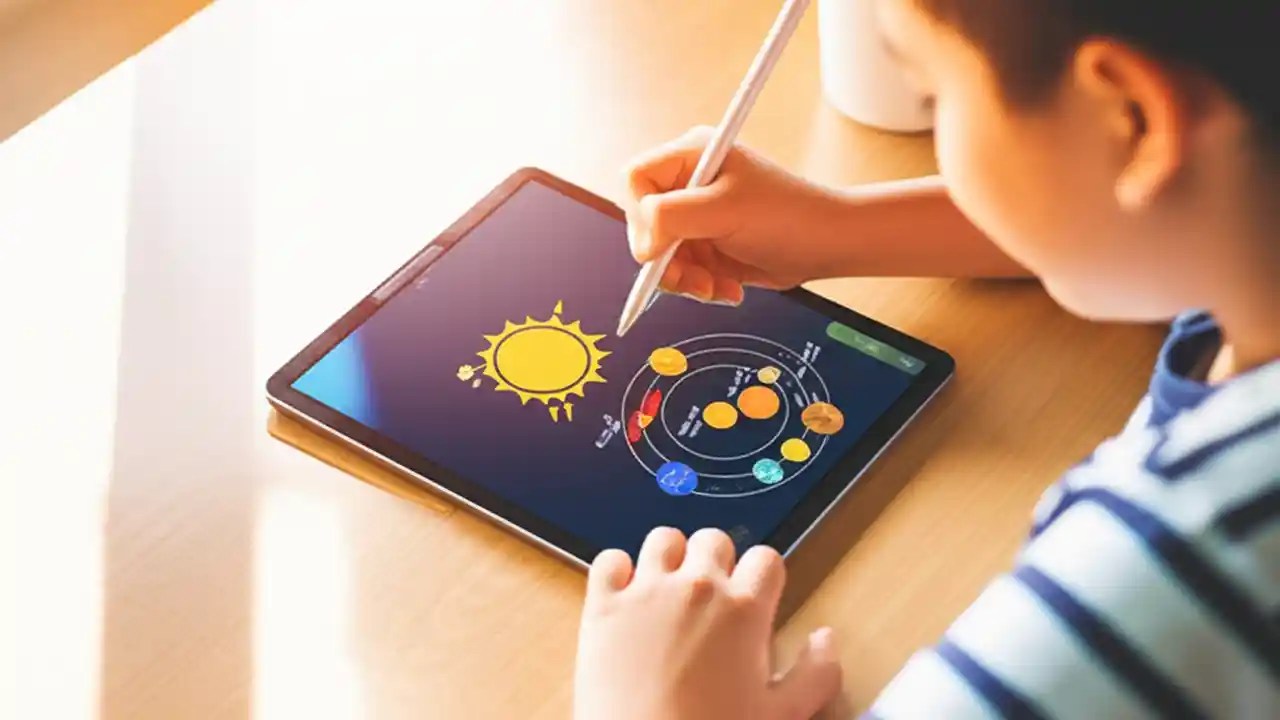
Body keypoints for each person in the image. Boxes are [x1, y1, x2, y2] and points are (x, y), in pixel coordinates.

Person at [573, 0, 1279, 717]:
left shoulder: (1166, 577)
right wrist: (838, 228)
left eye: (936, 96)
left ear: (1127, 119)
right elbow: (1140, 205)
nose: (936, 121)